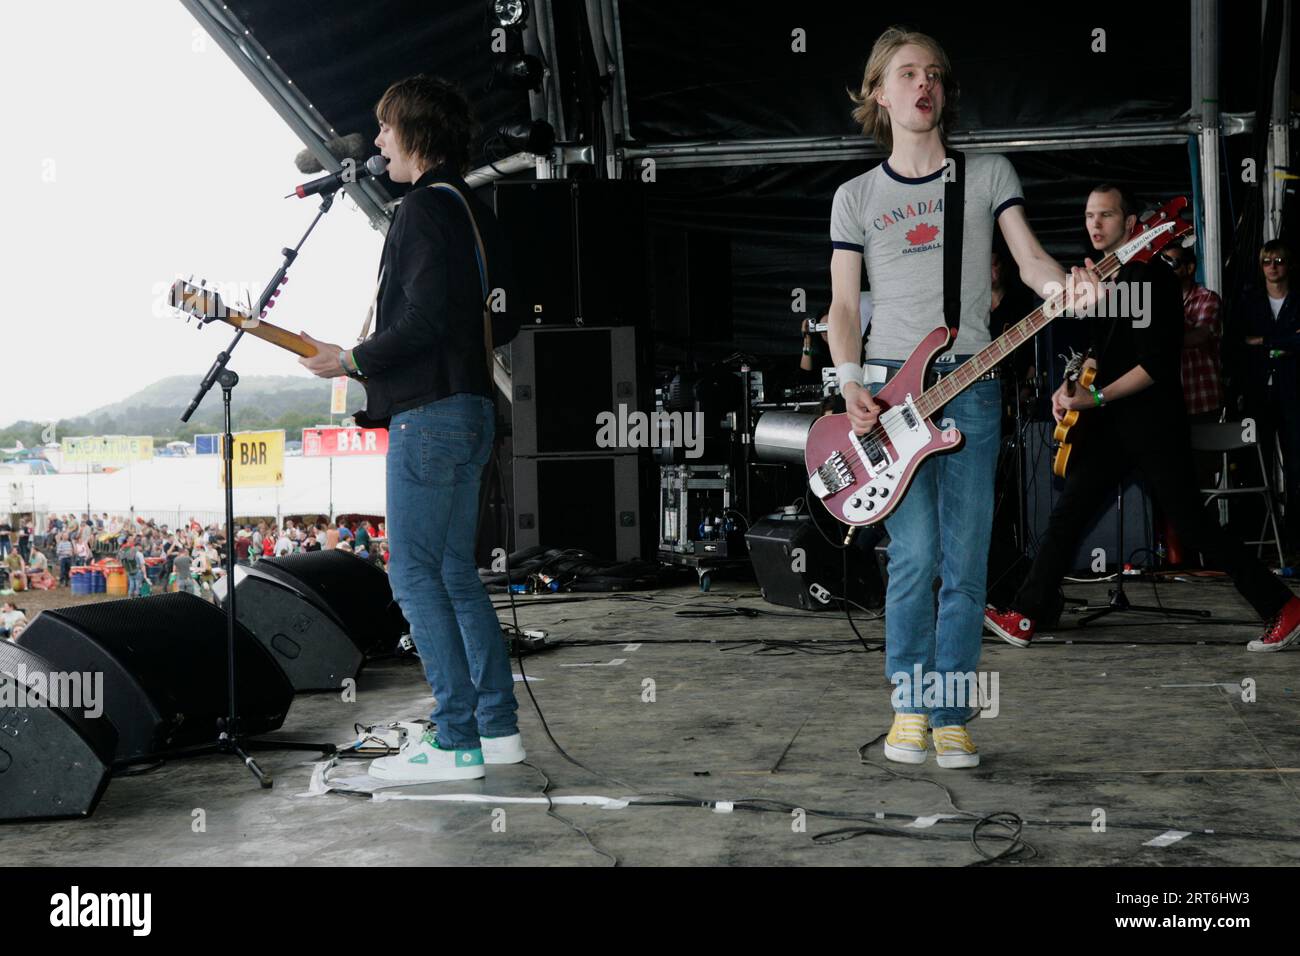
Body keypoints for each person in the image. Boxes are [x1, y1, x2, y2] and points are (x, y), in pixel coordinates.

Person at [828, 27, 1098, 768]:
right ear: (879, 93)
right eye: (907, 74)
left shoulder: (985, 175)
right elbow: (844, 306)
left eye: (935, 74)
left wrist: (1062, 288)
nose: (924, 85)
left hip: (973, 381)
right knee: (914, 555)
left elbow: (1032, 258)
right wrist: (851, 381)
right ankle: (908, 706)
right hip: (888, 393)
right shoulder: (855, 197)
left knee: (967, 559)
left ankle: (951, 713)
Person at [300, 74, 523, 782]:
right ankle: (495, 731)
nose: (380, 141)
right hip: (472, 407)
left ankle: (456, 738)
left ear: (417, 134)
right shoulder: (471, 208)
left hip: (431, 416)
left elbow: (422, 321)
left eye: (387, 128)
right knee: (455, 573)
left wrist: (353, 357)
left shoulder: (421, 210)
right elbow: (503, 315)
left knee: (415, 576)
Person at [985, 186, 1300, 653]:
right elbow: (1103, 353)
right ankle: (1026, 615)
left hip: (1152, 424)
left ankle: (1283, 607)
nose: (1095, 224)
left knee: (1193, 526)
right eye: (1089, 214)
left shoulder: (1151, 280)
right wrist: (1068, 386)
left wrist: (1092, 397)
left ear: (1132, 225)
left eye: (1107, 215)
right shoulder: (1107, 279)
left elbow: (1154, 366)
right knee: (1068, 513)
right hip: (1113, 424)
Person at [1239, 239, 1300, 548]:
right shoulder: (1250, 299)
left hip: (1293, 390)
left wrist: (1263, 342)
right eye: (1267, 261)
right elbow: (1238, 341)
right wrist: (1284, 342)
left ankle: (1293, 536)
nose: (1273, 267)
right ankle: (1262, 533)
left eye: (1279, 260)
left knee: (1296, 465)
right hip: (1259, 390)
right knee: (1257, 463)